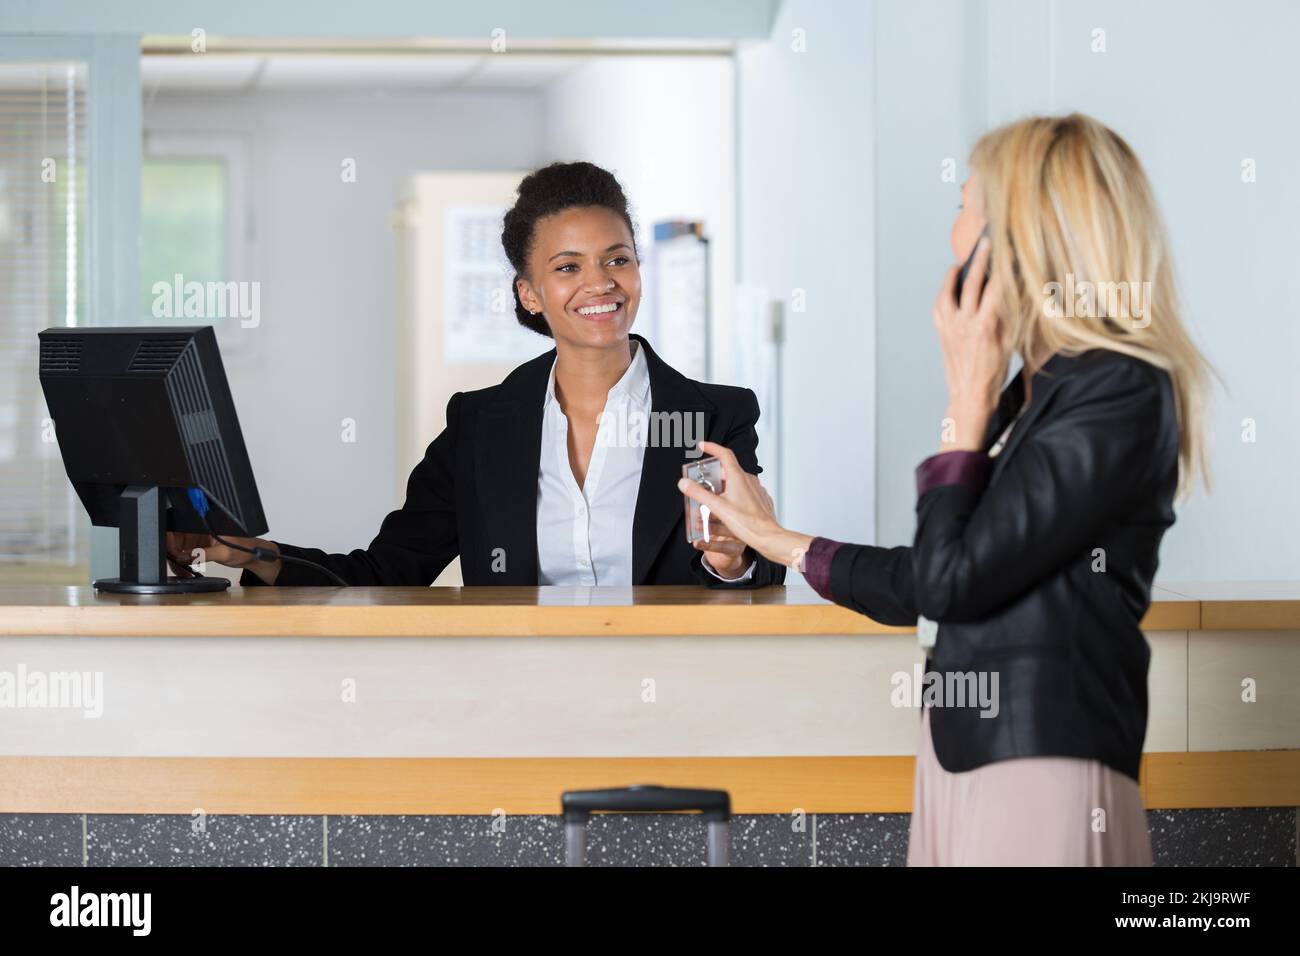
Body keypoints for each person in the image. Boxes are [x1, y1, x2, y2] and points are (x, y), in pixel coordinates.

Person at [678, 114, 1211, 865]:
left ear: (1016, 237)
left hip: (1040, 758)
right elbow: (937, 578)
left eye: (965, 207)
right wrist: (773, 538)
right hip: (971, 750)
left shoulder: (1116, 390)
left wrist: (964, 401)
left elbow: (951, 582)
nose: (954, 234)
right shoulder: (1039, 390)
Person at [168, 161, 784, 590]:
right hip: (518, 698)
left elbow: (763, 569)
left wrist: (732, 562)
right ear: (531, 293)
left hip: (679, 692)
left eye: (617, 259)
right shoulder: (482, 426)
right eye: (568, 267)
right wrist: (243, 550)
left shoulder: (715, 417)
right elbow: (388, 572)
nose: (600, 284)